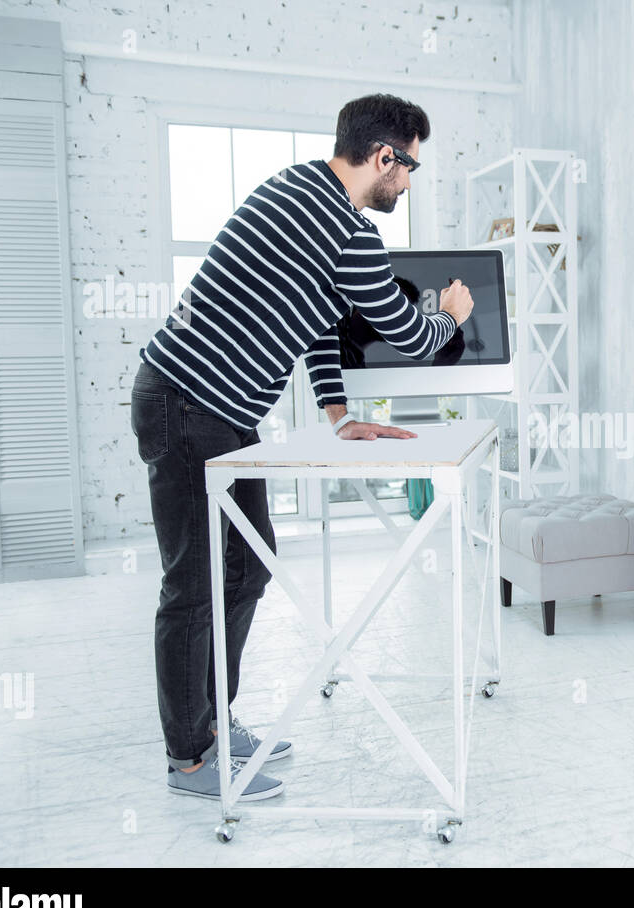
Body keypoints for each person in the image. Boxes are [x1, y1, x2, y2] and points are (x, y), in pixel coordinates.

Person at [128, 93, 475, 801]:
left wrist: (340, 412)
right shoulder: (343, 230)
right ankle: (191, 755)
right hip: (187, 404)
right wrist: (447, 313)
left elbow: (318, 320)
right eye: (407, 169)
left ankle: (212, 723)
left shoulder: (300, 193)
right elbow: (409, 338)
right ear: (384, 157)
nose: (407, 184)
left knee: (248, 569)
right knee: (193, 585)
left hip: (219, 413)